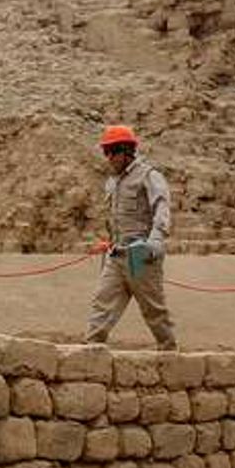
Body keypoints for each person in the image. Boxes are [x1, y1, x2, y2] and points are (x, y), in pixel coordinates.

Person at [84, 124, 178, 349]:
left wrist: (155, 241)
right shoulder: (112, 182)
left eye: (112, 152)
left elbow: (162, 209)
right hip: (117, 255)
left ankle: (169, 352)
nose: (108, 158)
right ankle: (90, 353)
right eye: (106, 152)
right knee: (102, 305)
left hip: (140, 256)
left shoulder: (149, 176)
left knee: (153, 310)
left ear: (126, 151)